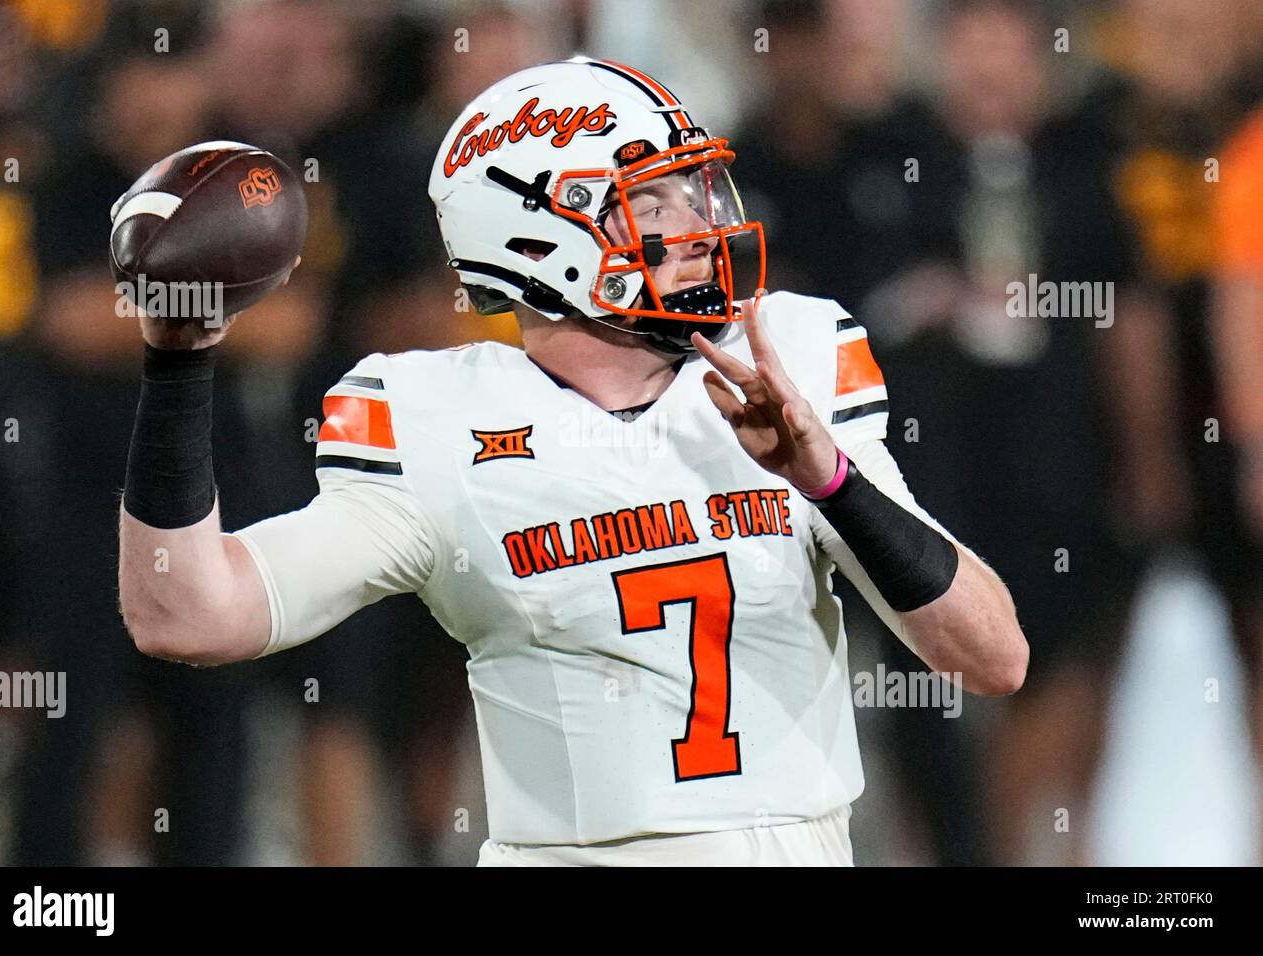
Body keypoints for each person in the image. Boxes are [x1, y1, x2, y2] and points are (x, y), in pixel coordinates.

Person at [116, 57, 1027, 866]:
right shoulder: (436, 422)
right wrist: (179, 364)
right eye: (656, 199)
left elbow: (991, 657)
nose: (703, 223)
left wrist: (830, 480)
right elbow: (189, 616)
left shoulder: (786, 354)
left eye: (695, 191)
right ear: (544, 239)